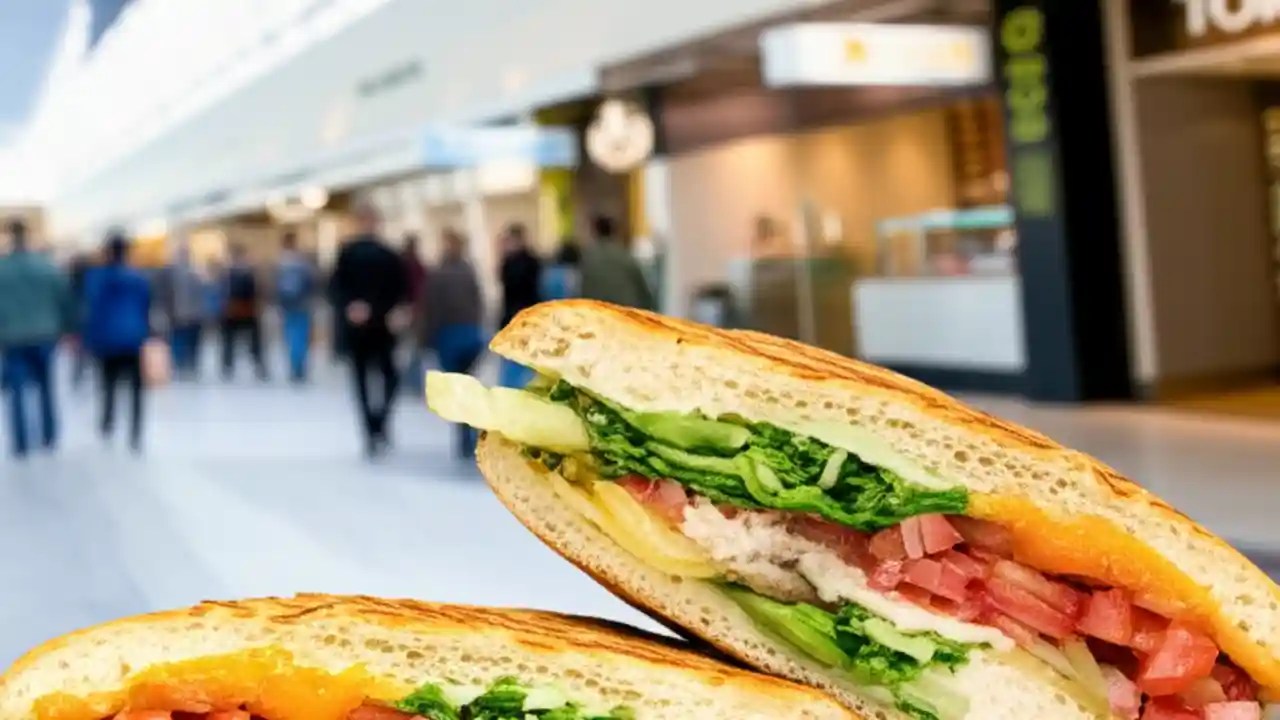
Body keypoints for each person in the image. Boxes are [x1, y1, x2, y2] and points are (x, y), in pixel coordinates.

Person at [330, 203, 410, 458]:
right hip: (361, 329)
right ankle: (371, 429)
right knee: (363, 379)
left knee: (389, 377)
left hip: (382, 327)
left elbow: (401, 289)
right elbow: (336, 288)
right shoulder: (350, 253)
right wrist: (350, 307)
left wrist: (397, 310)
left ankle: (379, 422)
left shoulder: (387, 254)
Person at [0, 219, 76, 458]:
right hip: (45, 334)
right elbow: (64, 299)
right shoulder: (46, 266)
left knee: (16, 391)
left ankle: (21, 442)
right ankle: (49, 436)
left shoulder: (3, 269)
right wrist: (67, 328)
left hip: (13, 337)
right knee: (46, 387)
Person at [82, 233, 152, 453]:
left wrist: (89, 339)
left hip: (106, 339)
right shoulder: (138, 277)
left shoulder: (97, 278)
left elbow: (91, 309)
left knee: (107, 383)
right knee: (136, 388)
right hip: (133, 336)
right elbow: (146, 305)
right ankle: (135, 431)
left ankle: (108, 421)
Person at [422, 229, 485, 458]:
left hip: (448, 336)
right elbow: (478, 302)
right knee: (466, 382)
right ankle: (468, 431)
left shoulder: (438, 274)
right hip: (469, 333)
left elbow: (431, 309)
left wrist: (426, 339)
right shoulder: (469, 271)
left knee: (455, 385)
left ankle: (463, 434)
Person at [497, 223, 541, 388]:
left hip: (515, 319)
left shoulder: (512, 263)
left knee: (514, 366)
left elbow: (510, 288)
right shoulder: (533, 261)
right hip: (526, 318)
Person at [579, 215, 655, 311]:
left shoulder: (588, 259)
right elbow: (642, 288)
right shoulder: (624, 255)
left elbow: (582, 291)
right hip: (626, 312)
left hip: (600, 314)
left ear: (595, 231)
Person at [158, 240, 207, 380]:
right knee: (180, 341)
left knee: (191, 341)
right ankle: (181, 365)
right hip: (179, 314)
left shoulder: (195, 271)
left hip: (193, 314)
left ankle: (189, 365)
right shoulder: (171, 272)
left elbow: (201, 293)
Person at [221, 244, 268, 381]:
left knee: (249, 342)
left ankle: (231, 366)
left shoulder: (232, 274)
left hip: (243, 310)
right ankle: (230, 366)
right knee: (234, 342)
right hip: (240, 311)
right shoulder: (243, 273)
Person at [275, 231, 317, 383]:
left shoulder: (280, 263)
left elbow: (275, 287)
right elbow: (312, 283)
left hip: (287, 305)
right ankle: (299, 366)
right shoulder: (303, 263)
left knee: (291, 335)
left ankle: (295, 366)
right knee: (301, 335)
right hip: (302, 304)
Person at [400, 233, 429, 394]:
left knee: (408, 348)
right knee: (413, 348)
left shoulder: (404, 264)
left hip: (408, 309)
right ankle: (412, 382)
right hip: (414, 310)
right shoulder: (417, 265)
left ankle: (409, 381)